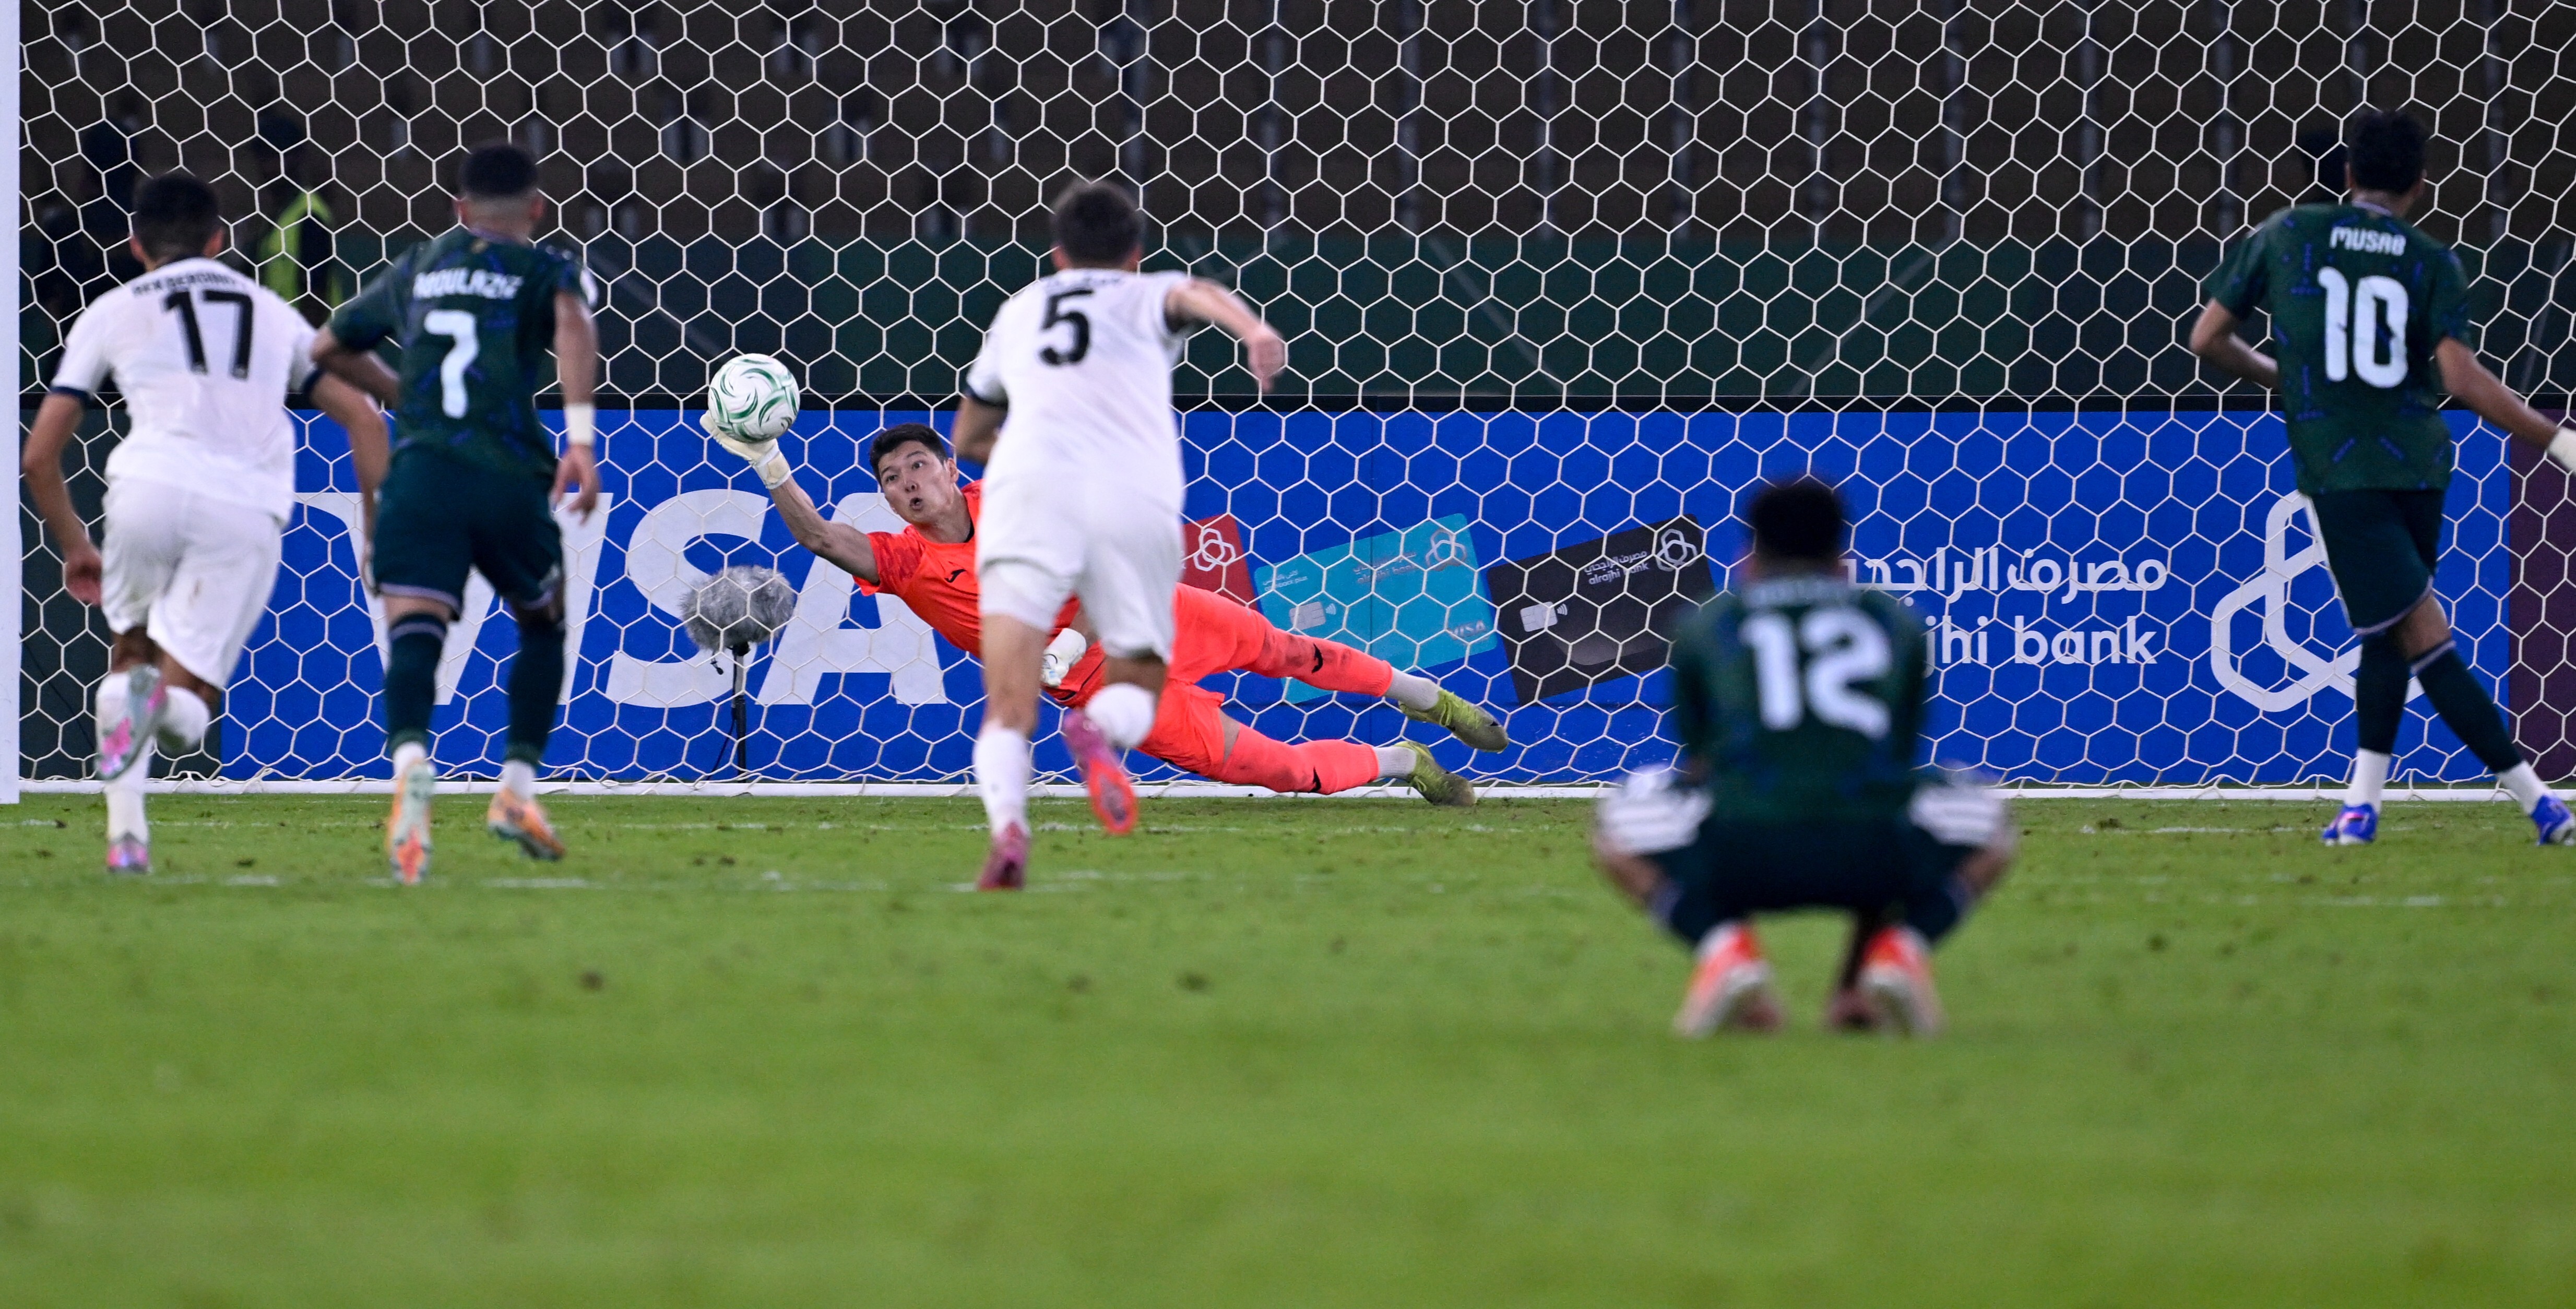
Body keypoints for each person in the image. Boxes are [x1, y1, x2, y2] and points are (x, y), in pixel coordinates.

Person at [707, 421, 1508, 888]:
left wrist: (1067, 637)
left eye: (919, 465)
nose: (909, 482)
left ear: (953, 471)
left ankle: (1425, 695)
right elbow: (816, 536)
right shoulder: (906, 564)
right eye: (892, 478)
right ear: (886, 501)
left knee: (1286, 650)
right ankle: (1404, 764)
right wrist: (770, 462)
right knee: (1277, 769)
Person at [2190, 108, 2576, 847]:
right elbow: (2460, 382)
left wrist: (2284, 375)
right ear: (2420, 186)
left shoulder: (2287, 235)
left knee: (2417, 632)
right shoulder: (2431, 260)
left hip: (2341, 468)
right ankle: (2360, 806)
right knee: (2388, 629)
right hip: (2421, 462)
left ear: (2345, 174)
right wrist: (2553, 437)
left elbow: (2206, 338)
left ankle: (2538, 803)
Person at [22, 173, 388, 874]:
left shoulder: (112, 308)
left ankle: (127, 836)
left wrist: (75, 546)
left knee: (130, 655)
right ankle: (154, 719)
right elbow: (363, 419)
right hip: (241, 507)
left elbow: (40, 456)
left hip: (145, 490)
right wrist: (374, 532)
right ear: (219, 241)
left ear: (135, 245)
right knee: (190, 712)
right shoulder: (268, 310)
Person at [948, 181, 1288, 889]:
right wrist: (1252, 331)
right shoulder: (1146, 294)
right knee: (1137, 675)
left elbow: (970, 435)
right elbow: (1194, 293)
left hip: (1025, 492)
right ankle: (1099, 731)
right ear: (1134, 256)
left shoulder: (1018, 310)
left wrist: (1027, 456)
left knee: (1008, 706)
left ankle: (1009, 827)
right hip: (1128, 493)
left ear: (1056, 254)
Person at [1591, 478, 2013, 1038]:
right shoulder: (1894, 620)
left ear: (1749, 553)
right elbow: (1898, 759)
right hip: (1877, 853)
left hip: (1741, 852)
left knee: (1618, 823)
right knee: (1991, 824)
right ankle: (1896, 955)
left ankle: (1725, 950)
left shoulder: (1710, 621)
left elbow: (1699, 764)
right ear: (1843, 554)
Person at [310, 141, 603, 884]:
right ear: (535, 209)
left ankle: (410, 760)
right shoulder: (543, 269)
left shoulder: (418, 264)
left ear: (458, 208)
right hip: (507, 472)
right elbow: (572, 323)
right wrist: (580, 439)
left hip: (423, 474)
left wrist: (405, 392)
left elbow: (327, 345)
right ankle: (516, 789)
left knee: (414, 628)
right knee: (542, 620)